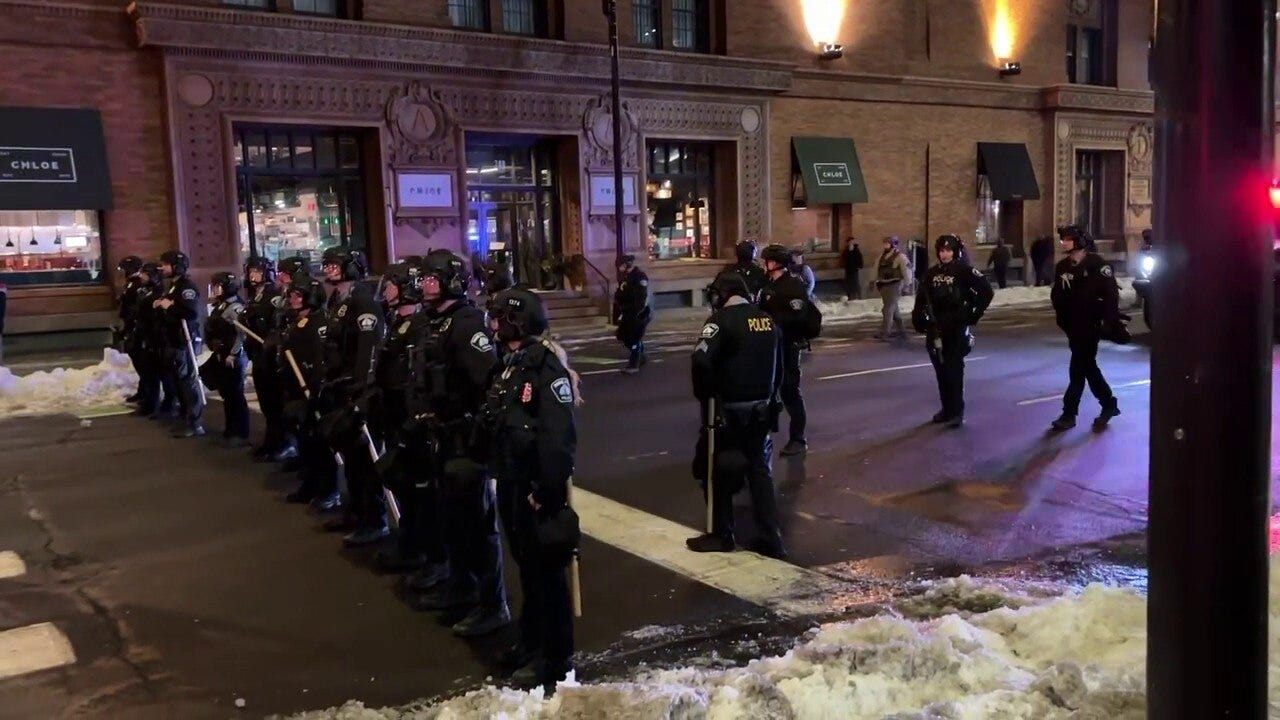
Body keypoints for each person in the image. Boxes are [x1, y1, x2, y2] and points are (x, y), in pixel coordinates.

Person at [402, 250, 511, 639]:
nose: (426, 284)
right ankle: (461, 587)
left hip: (466, 441)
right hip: (441, 436)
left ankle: (491, 604)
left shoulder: (467, 325)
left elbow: (489, 386)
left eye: (433, 278)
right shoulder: (432, 322)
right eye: (424, 278)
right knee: (452, 520)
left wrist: (479, 436)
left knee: (478, 526)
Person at [481, 287, 578, 691]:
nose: (494, 323)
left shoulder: (545, 368)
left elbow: (558, 438)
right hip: (512, 480)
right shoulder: (510, 364)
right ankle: (530, 640)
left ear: (518, 321)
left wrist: (550, 491)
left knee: (548, 576)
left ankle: (555, 660)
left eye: (500, 317)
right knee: (529, 569)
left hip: (536, 488)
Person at [686, 270, 786, 558]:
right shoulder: (767, 321)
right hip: (762, 411)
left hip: (728, 413)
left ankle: (722, 532)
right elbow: (780, 367)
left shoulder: (719, 322)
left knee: (712, 470)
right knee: (759, 472)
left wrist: (708, 394)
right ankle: (771, 536)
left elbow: (701, 359)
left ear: (724, 294)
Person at [316, 247, 389, 546]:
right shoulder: (338, 300)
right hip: (338, 385)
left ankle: (374, 519)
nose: (330, 270)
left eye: (336, 265)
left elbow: (368, 348)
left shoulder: (363, 301)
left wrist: (362, 389)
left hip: (356, 389)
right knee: (349, 455)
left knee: (364, 458)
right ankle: (356, 509)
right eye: (328, 265)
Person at [912, 235, 994, 428]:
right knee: (941, 371)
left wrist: (973, 315)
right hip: (935, 327)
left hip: (956, 328)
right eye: (941, 250)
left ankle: (957, 411)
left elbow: (986, 292)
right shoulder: (932, 273)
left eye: (948, 250)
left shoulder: (965, 271)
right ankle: (946, 409)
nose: (944, 254)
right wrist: (917, 316)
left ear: (955, 251)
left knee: (954, 371)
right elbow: (921, 297)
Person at [1050, 225, 1122, 432]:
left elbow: (1110, 296)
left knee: (1078, 369)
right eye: (1063, 239)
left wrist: (1109, 322)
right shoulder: (1063, 266)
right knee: (1088, 368)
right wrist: (1063, 321)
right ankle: (1109, 404)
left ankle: (1069, 413)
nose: (1063, 242)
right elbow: (1057, 295)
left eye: (1068, 239)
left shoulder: (1097, 264)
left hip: (1090, 326)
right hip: (1072, 326)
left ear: (1080, 241)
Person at [278, 275, 337, 506]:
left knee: (320, 443)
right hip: (294, 388)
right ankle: (310, 484)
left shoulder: (320, 322)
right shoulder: (296, 322)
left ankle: (328, 491)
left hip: (313, 390)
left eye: (298, 296)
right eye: (291, 295)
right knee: (305, 441)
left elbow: (321, 357)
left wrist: (317, 386)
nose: (293, 300)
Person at [758, 244, 820, 457]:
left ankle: (798, 439)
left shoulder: (793, 286)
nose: (762, 264)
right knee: (769, 392)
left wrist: (771, 322)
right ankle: (764, 436)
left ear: (774, 263)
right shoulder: (769, 284)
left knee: (790, 392)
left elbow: (797, 318)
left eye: (766, 260)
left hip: (788, 347)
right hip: (771, 348)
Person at [242, 256, 292, 462]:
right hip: (258, 355)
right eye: (250, 272)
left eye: (257, 272)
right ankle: (271, 441)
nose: (253, 276)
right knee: (266, 403)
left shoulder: (273, 295)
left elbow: (277, 324)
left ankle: (284, 443)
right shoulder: (254, 295)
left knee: (275, 402)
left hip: (271, 357)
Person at [153, 250, 205, 438]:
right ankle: (186, 416)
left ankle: (195, 422)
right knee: (180, 381)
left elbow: (190, 313)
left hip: (185, 340)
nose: (163, 268)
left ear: (176, 266)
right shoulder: (174, 286)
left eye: (166, 264)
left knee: (188, 382)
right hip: (173, 339)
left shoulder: (186, 287)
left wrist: (170, 306)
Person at [202, 271, 250, 447]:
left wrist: (234, 353)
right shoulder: (221, 305)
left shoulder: (235, 307)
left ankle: (241, 432)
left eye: (217, 285)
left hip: (233, 355)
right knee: (227, 394)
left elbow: (242, 332)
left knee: (235, 394)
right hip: (222, 352)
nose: (214, 289)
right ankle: (231, 429)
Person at [129, 262, 169, 418]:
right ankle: (149, 403)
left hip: (155, 338)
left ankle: (156, 405)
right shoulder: (145, 291)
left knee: (155, 374)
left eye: (145, 274)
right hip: (143, 334)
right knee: (147, 372)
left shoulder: (159, 292)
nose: (141, 276)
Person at [612, 254, 652, 374]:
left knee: (633, 338)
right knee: (623, 336)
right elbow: (620, 294)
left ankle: (634, 364)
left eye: (619, 266)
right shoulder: (626, 277)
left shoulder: (639, 276)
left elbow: (640, 297)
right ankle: (641, 356)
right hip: (627, 313)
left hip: (638, 313)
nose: (618, 268)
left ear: (626, 265)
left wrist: (637, 312)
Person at [115, 255, 145, 403]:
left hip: (135, 327)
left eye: (124, 269)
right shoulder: (130, 284)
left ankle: (146, 393)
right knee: (136, 360)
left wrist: (130, 326)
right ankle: (143, 390)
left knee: (141, 361)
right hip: (129, 326)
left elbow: (134, 307)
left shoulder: (137, 284)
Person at [873, 236, 910, 340]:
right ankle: (902, 331)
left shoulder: (900, 257)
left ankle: (885, 332)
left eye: (887, 243)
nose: (885, 245)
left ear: (893, 244)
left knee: (887, 309)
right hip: (884, 285)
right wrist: (872, 280)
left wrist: (907, 285)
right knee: (894, 310)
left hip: (895, 284)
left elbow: (906, 271)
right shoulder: (882, 256)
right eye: (884, 243)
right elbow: (876, 268)